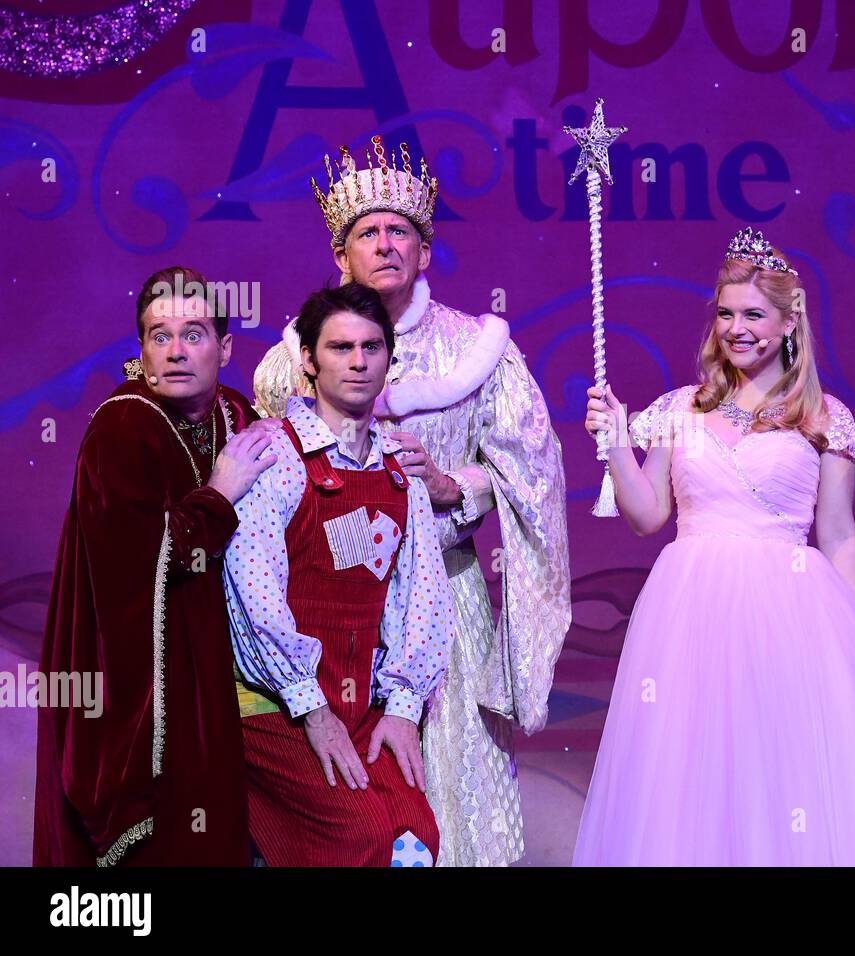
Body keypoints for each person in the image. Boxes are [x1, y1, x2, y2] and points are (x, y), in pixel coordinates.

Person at [572, 227, 855, 866]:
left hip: (789, 613)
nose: (736, 328)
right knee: (693, 771)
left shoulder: (824, 419)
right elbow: (647, 517)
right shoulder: (679, 410)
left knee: (785, 767)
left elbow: (839, 533)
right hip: (690, 616)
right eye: (726, 313)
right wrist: (617, 442)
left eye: (753, 314)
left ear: (790, 322)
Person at [253, 135, 570, 865]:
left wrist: (453, 485)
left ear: (425, 251)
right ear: (342, 254)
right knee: (341, 791)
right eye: (369, 231)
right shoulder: (289, 362)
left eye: (403, 231)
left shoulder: (478, 350)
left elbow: (533, 470)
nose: (386, 244)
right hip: (327, 605)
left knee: (444, 781)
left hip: (444, 597)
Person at [34, 266, 274, 866]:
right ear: (140, 351)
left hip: (223, 664)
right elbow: (135, 561)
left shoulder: (236, 416)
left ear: (225, 347)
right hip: (144, 678)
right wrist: (218, 497)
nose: (175, 351)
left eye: (193, 334)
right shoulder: (121, 427)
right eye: (157, 336)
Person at [224, 283, 456, 866]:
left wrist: (403, 710)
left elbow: (424, 597)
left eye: (371, 347)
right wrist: (313, 708)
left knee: (413, 840)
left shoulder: (400, 468)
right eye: (340, 347)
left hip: (362, 704)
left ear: (388, 357)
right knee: (358, 839)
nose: (357, 361)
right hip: (277, 703)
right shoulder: (273, 454)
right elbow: (253, 598)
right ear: (308, 358)